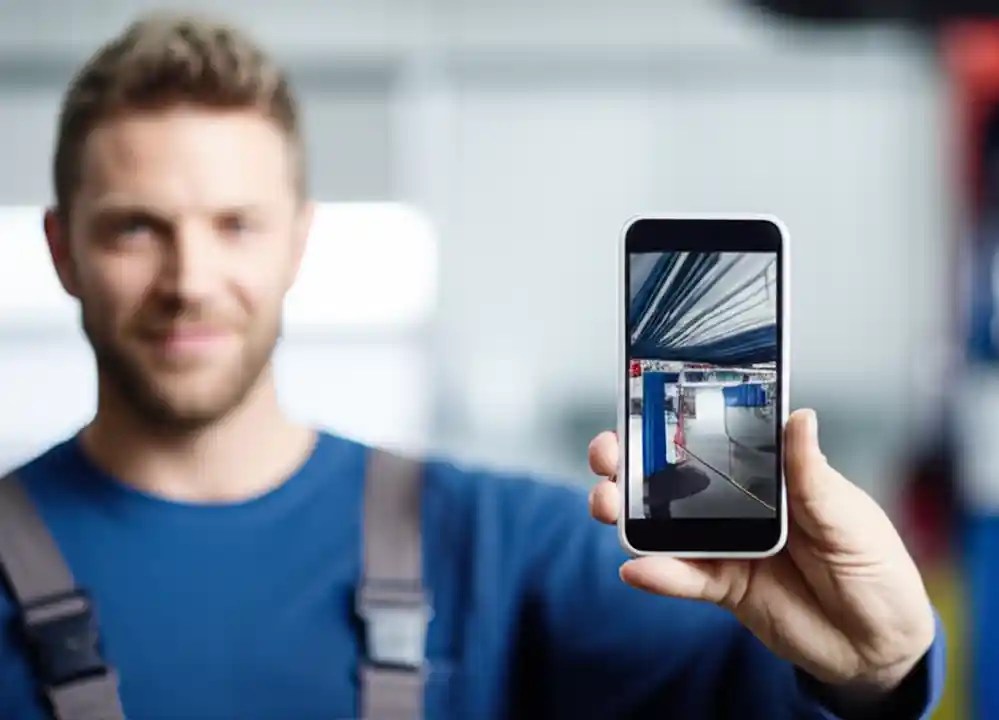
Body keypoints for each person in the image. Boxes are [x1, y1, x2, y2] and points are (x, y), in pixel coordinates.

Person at [0, 12, 945, 720]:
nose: (190, 279)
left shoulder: (504, 545)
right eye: (136, 228)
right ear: (62, 250)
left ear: (298, 241)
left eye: (235, 225)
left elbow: (762, 687)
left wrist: (877, 668)